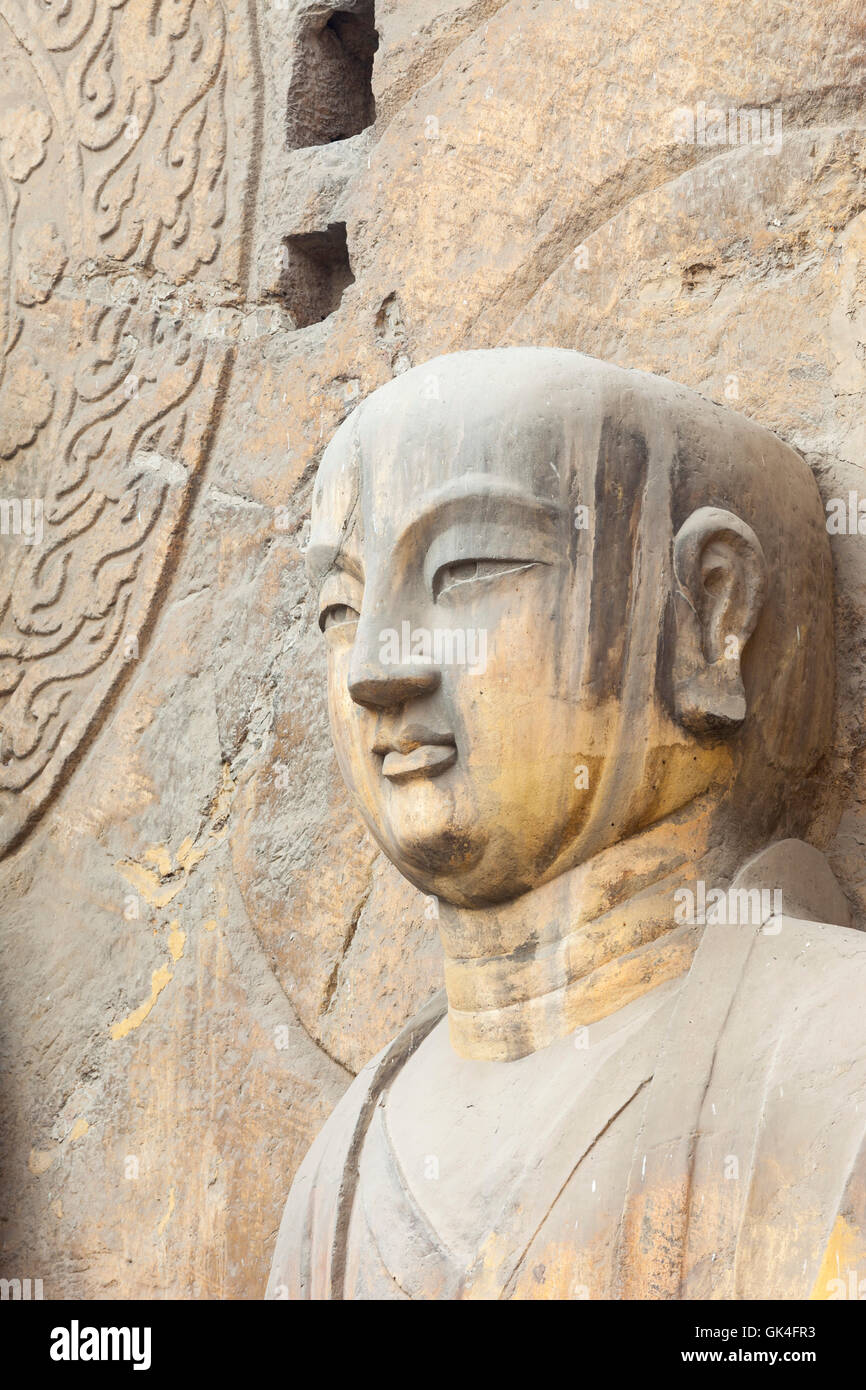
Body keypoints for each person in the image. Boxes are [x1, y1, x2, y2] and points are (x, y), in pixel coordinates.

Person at [267, 349, 865, 1300]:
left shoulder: (833, 1055)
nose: (375, 669)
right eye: (341, 604)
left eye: (465, 570)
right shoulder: (344, 1165)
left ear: (711, 611)